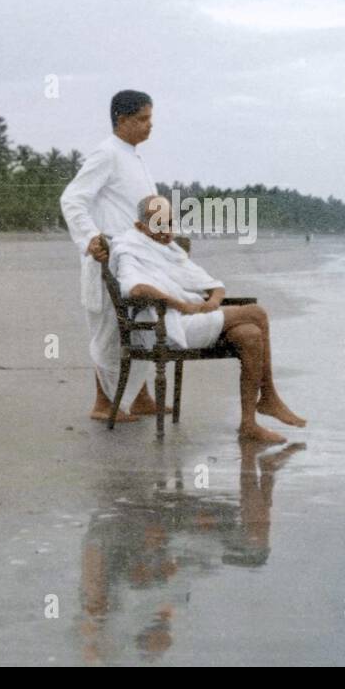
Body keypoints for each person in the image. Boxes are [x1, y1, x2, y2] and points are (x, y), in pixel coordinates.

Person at [109, 194, 306, 445]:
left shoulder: (171, 250)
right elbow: (136, 289)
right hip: (166, 329)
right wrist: (182, 304)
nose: (167, 231)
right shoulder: (129, 248)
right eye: (159, 225)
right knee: (256, 312)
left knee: (250, 334)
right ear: (140, 227)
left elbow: (214, 285)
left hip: (191, 321)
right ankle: (268, 397)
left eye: (170, 223)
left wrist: (212, 304)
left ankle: (248, 424)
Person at [59, 90, 160, 423]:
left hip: (138, 257)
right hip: (110, 257)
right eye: (143, 119)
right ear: (122, 119)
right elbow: (72, 199)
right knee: (111, 331)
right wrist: (91, 239)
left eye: (150, 118)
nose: (149, 125)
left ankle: (140, 397)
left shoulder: (132, 156)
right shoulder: (106, 153)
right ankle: (103, 403)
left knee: (143, 326)